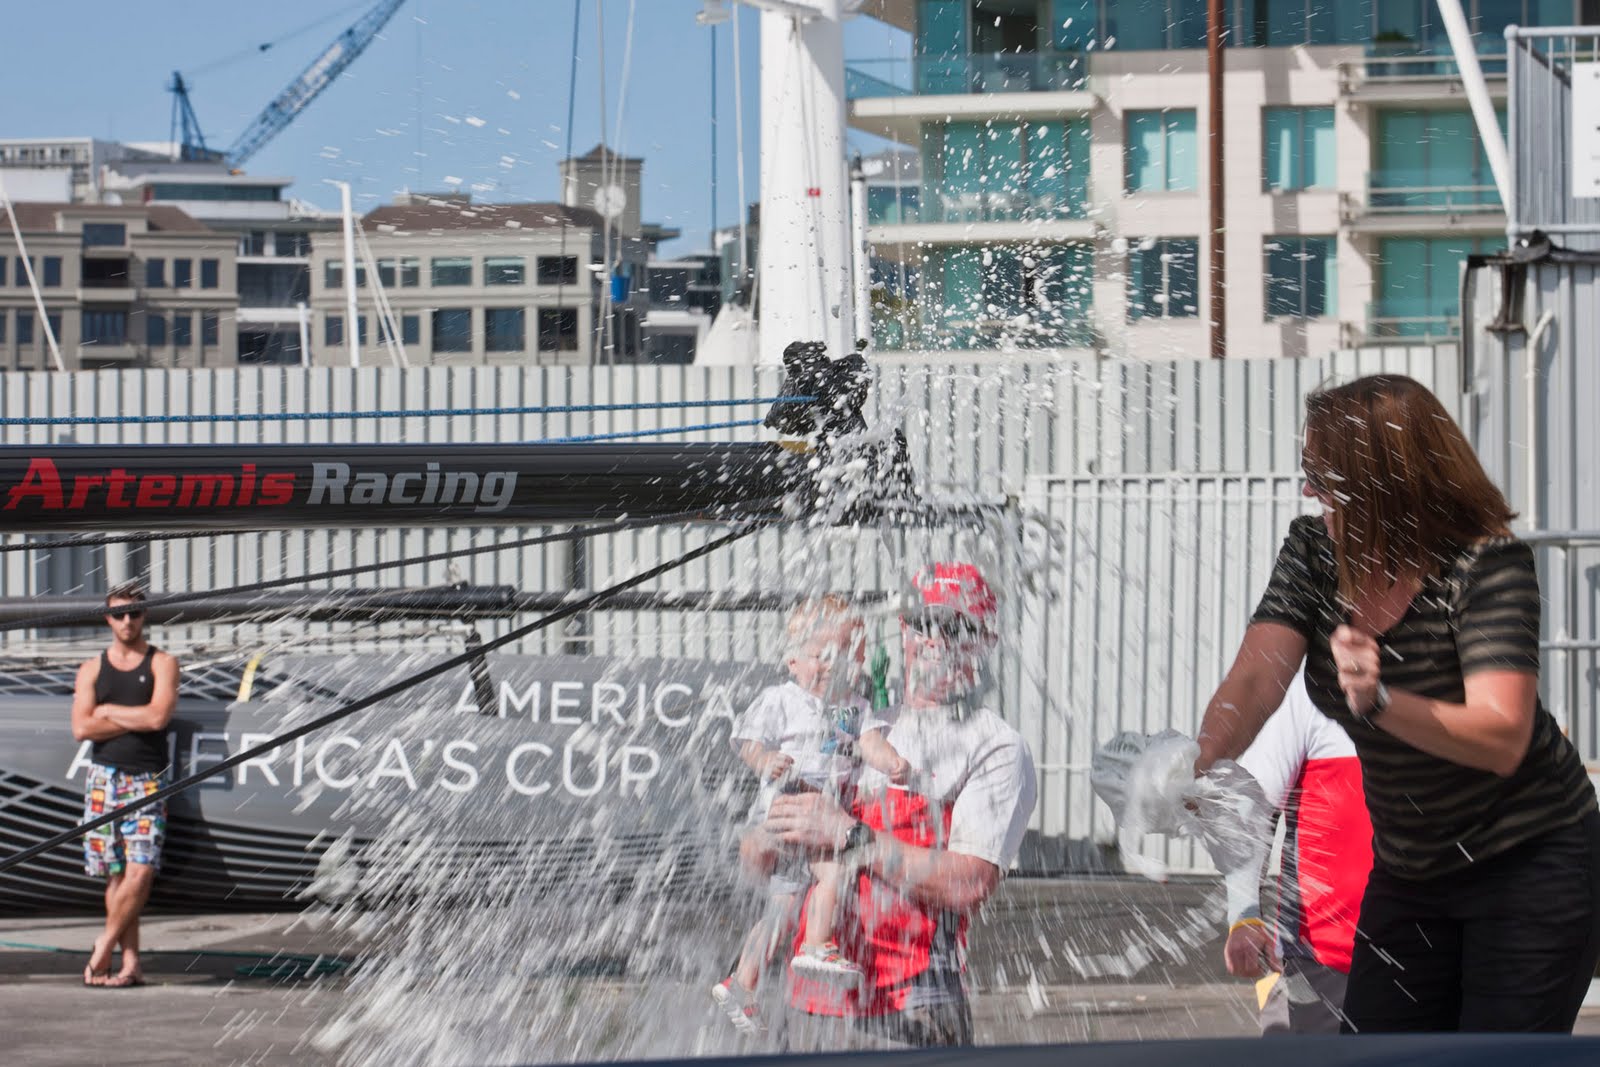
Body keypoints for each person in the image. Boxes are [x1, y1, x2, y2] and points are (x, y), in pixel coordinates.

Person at [1192, 375, 1600, 1032]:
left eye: (1322, 477)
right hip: (1411, 871)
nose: (1308, 492)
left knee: (1494, 1062)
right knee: (1376, 1051)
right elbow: (1255, 677)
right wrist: (1198, 759)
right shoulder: (1314, 551)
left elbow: (1501, 736)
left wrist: (1380, 699)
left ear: (1382, 478)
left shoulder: (1485, 564)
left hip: (1529, 862)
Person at [763, 562, 1038, 1049]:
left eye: (955, 627)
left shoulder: (995, 745)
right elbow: (778, 862)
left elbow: (969, 883)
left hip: (911, 1003)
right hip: (812, 998)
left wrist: (850, 835)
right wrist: (767, 835)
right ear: (905, 631)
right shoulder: (864, 726)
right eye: (924, 623)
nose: (936, 639)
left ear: (986, 641)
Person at [712, 595, 911, 1033]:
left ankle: (741, 984)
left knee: (781, 909)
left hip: (815, 819)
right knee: (833, 875)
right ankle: (818, 945)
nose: (830, 666)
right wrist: (765, 761)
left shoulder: (854, 708)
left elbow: (871, 745)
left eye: (843, 656)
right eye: (820, 656)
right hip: (786, 811)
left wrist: (891, 762)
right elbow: (746, 741)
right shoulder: (780, 699)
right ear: (793, 662)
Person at [1222, 670, 1372, 1035]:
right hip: (1322, 962)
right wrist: (1243, 915)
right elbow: (1251, 807)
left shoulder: (1450, 682)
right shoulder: (1309, 689)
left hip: (1431, 953)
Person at [70, 582, 180, 988]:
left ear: (144, 615)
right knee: (116, 874)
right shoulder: (92, 669)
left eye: (135, 612)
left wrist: (109, 711)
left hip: (147, 780)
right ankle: (130, 964)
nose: (127, 620)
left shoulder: (162, 663)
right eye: (119, 613)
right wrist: (131, 714)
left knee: (140, 873)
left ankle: (102, 947)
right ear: (108, 618)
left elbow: (157, 719)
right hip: (104, 780)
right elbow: (82, 727)